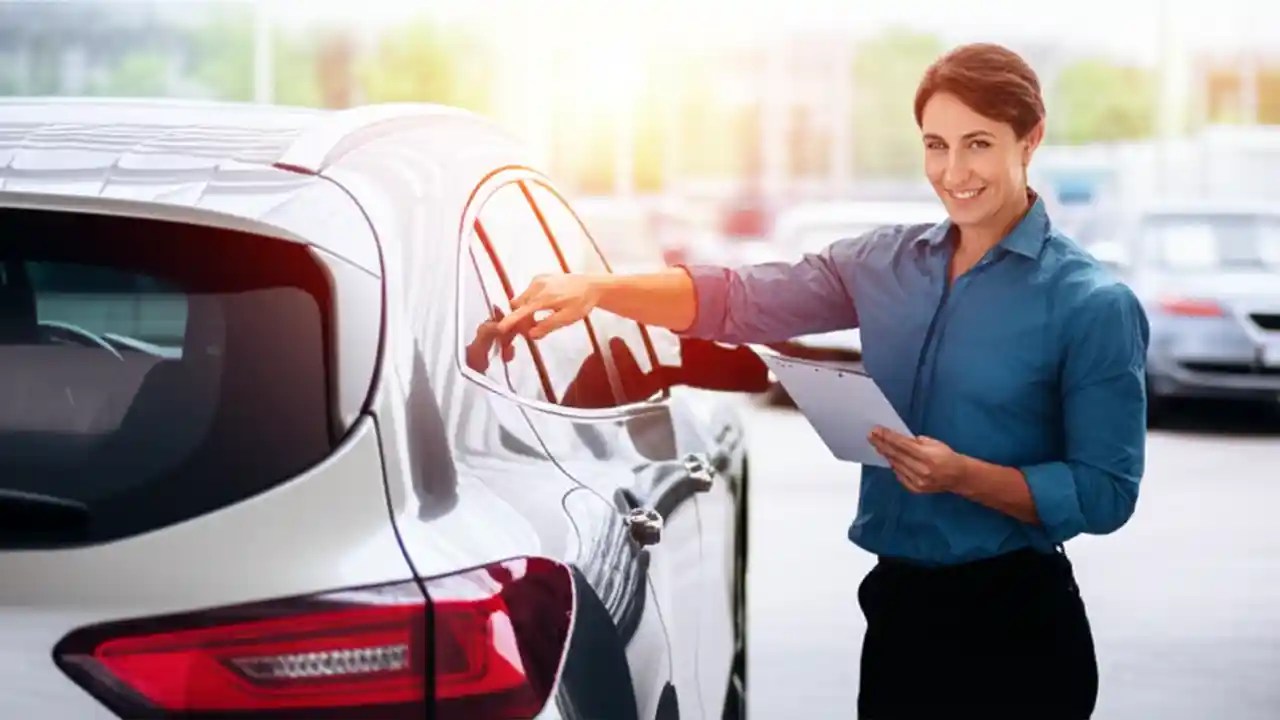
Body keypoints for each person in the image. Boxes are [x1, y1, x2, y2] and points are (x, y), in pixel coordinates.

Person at [498, 42, 1149, 719]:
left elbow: (1106, 493)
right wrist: (599, 289)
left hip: (1020, 632)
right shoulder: (886, 263)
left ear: (1031, 139)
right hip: (899, 617)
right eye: (936, 145)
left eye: (978, 144)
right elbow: (741, 299)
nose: (953, 172)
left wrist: (964, 476)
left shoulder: (1090, 304)